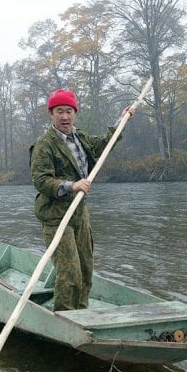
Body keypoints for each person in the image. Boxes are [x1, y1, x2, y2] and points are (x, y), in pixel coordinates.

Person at [29, 88, 135, 311]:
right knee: (70, 274)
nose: (65, 116)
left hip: (79, 214)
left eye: (69, 111)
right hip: (55, 215)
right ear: (52, 114)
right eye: (59, 111)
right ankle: (65, 317)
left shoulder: (80, 138)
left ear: (75, 113)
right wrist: (71, 185)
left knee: (85, 269)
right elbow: (41, 180)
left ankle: (82, 313)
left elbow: (105, 143)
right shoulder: (44, 144)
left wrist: (122, 120)